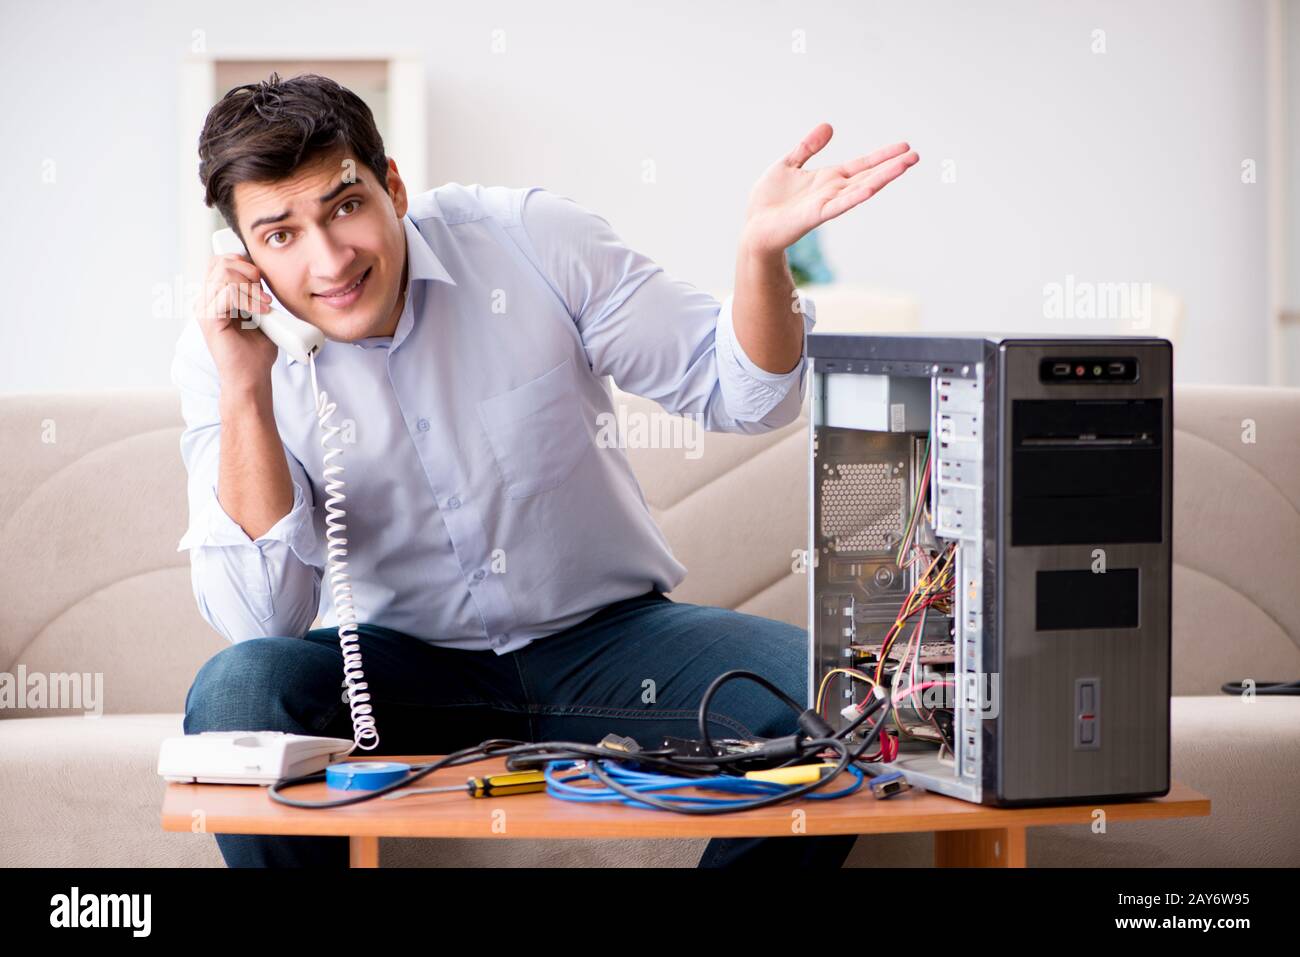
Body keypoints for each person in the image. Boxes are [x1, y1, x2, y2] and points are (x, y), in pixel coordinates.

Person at [176, 71, 918, 868]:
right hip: (396, 669)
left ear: (392, 185)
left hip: (607, 643)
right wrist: (247, 385)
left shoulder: (528, 239)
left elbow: (741, 394)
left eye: (345, 206)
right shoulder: (230, 356)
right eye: (281, 234)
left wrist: (760, 257)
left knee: (846, 709)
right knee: (236, 692)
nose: (329, 261)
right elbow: (262, 620)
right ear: (244, 254)